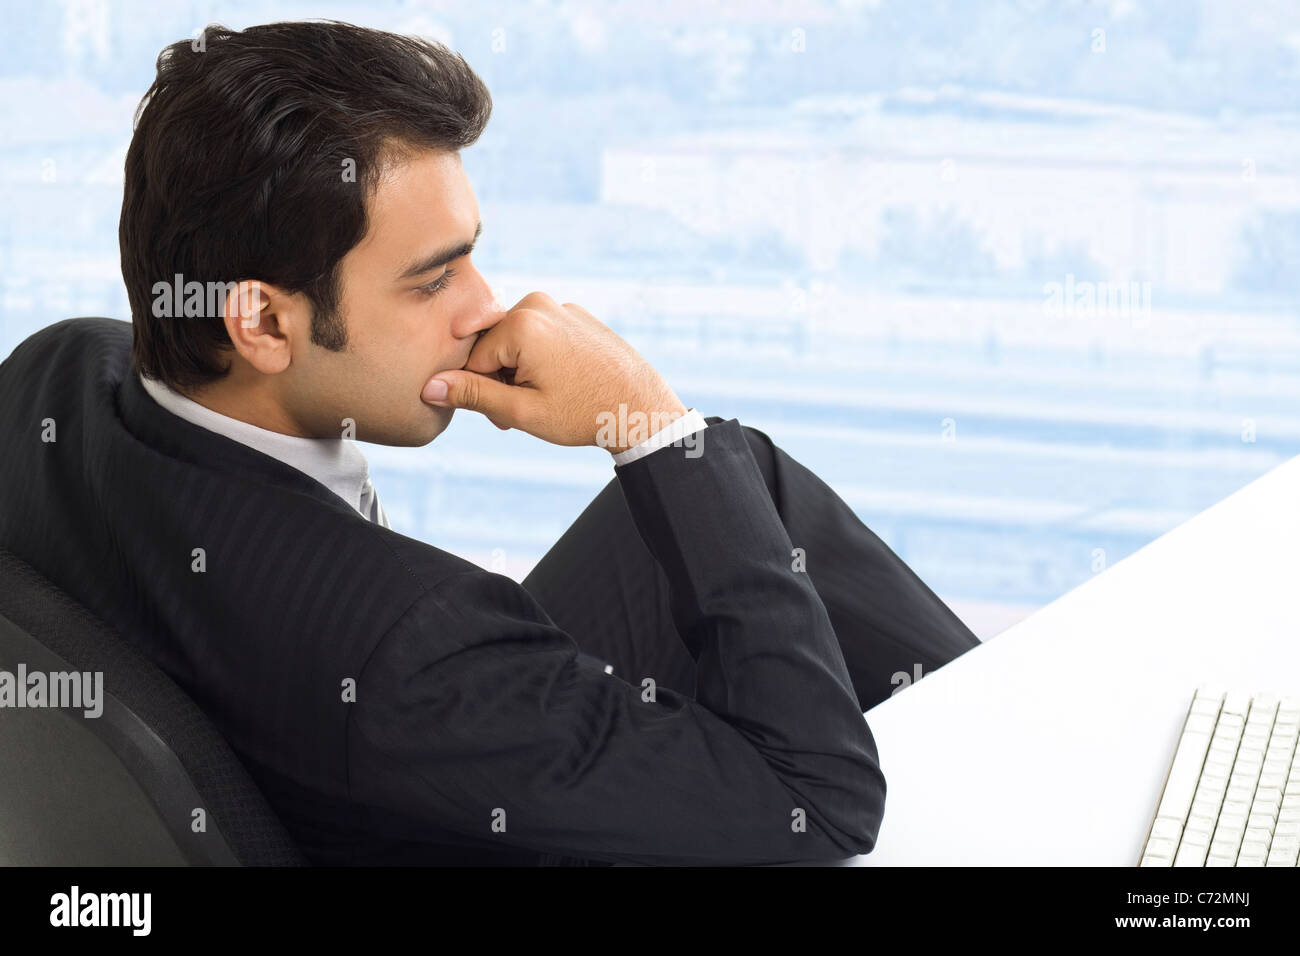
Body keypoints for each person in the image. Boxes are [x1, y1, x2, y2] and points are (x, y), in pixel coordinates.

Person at [0, 20, 978, 865]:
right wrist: (645, 417)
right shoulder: (414, 647)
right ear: (260, 321)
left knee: (740, 480)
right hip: (443, 800)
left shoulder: (57, 371)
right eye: (433, 279)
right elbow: (820, 801)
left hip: (343, 738)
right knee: (706, 499)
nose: (486, 305)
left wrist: (680, 451)